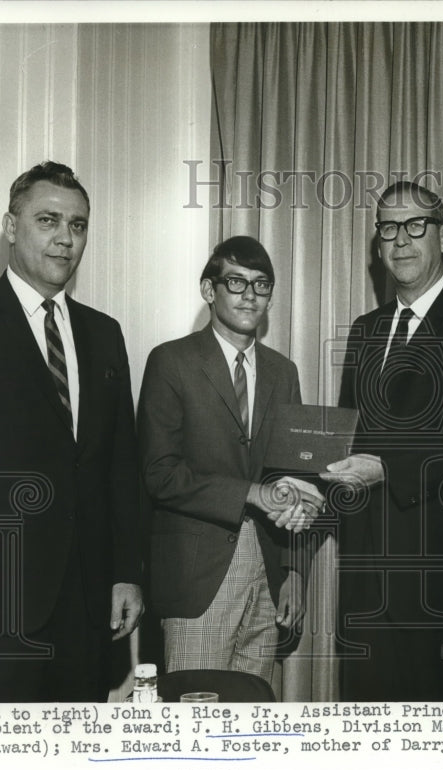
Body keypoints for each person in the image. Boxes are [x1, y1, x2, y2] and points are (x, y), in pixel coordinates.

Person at [0, 161, 144, 702]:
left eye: (77, 225)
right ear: (10, 227)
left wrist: (126, 573)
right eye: (48, 220)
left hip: (86, 608)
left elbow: (121, 465)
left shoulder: (104, 333)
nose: (65, 239)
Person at [321, 181, 443, 701]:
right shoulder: (365, 331)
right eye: (389, 228)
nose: (402, 240)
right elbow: (348, 444)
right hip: (365, 588)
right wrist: (310, 489)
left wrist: (389, 470)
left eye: (416, 226)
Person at [137, 236, 322, 684]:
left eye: (261, 285)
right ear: (209, 290)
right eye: (236, 282)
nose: (250, 295)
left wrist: (295, 572)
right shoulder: (171, 361)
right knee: (193, 718)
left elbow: (293, 479)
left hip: (268, 576)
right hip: (197, 578)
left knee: (251, 714)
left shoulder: (284, 371)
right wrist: (253, 493)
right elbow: (159, 475)